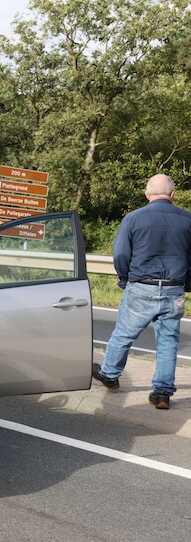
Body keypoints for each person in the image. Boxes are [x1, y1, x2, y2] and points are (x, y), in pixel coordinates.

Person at [92, 174, 191, 410]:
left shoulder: (133, 218)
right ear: (172, 195)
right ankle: (162, 393)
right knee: (168, 342)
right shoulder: (188, 219)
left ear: (147, 194)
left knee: (124, 334)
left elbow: (121, 255)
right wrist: (186, 284)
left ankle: (110, 375)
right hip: (173, 289)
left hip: (141, 286)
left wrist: (126, 279)